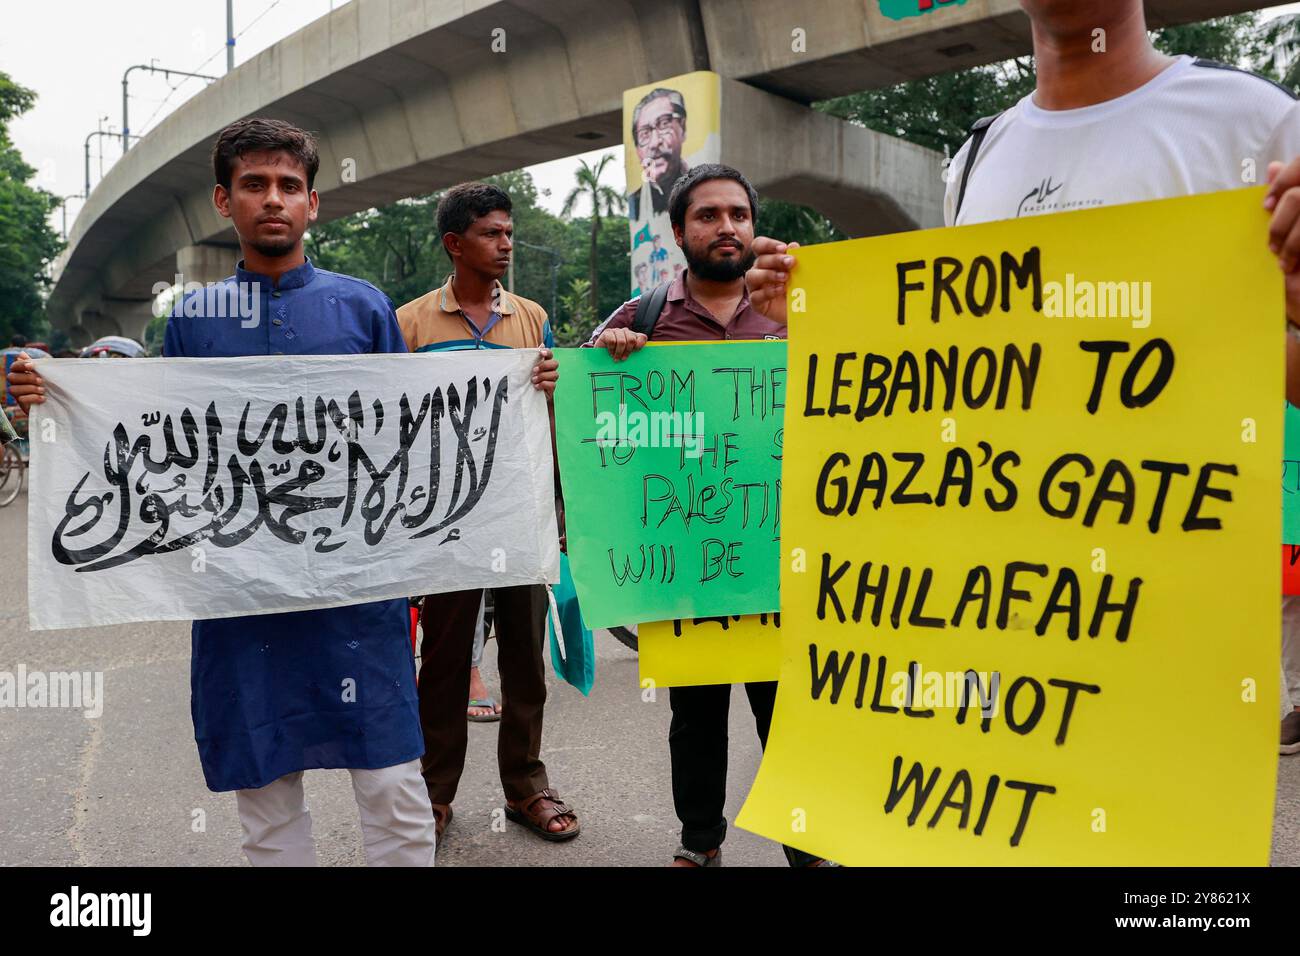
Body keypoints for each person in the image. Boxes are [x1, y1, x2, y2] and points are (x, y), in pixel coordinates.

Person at [744, 0, 1300, 756]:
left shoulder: (1256, 125)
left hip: (1178, 645)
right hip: (1005, 630)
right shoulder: (980, 156)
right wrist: (834, 322)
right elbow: (962, 369)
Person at [8, 118, 442, 867]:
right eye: (254, 185)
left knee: (397, 793)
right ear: (223, 201)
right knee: (266, 804)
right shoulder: (193, 323)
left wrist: (525, 393)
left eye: (289, 186)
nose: (273, 200)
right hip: (241, 594)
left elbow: (403, 435)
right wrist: (53, 400)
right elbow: (157, 439)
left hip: (355, 594)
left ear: (313, 204)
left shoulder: (364, 308)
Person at [588, 163, 831, 867]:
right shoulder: (642, 317)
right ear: (678, 231)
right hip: (687, 555)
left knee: (788, 712)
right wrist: (607, 361)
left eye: (738, 215)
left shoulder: (804, 308)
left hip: (783, 552)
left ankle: (808, 843)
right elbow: (586, 417)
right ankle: (700, 843)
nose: (726, 227)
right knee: (694, 714)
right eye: (708, 215)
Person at [396, 181, 577, 844]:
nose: (506, 244)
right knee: (443, 656)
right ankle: (432, 791)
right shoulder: (409, 323)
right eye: (492, 234)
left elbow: (554, 416)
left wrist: (554, 386)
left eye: (508, 232)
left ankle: (526, 785)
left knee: (526, 658)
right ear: (455, 244)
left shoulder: (530, 318)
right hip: (445, 521)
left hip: (521, 512)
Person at [627, 88, 690, 222]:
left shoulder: (705, 191)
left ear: (682, 128)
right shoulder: (635, 203)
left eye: (664, 124)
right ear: (637, 149)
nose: (655, 143)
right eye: (644, 134)